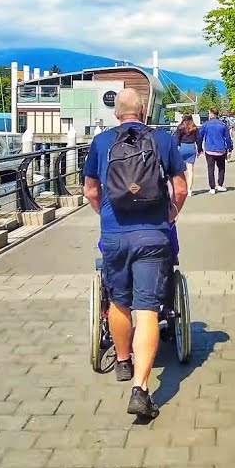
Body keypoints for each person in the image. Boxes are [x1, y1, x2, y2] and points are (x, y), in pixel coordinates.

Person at [83, 88, 188, 419]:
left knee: (118, 301)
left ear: (116, 113)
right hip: (153, 235)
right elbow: (181, 188)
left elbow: (90, 190)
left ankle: (124, 361)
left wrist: (106, 217)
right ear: (144, 112)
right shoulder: (164, 141)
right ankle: (141, 390)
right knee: (146, 309)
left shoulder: (101, 143)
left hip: (114, 235)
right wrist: (169, 215)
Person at [197, 109, 233, 194]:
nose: (208, 115)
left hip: (209, 150)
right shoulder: (223, 125)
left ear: (212, 114)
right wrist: (230, 148)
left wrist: (199, 149)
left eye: (209, 113)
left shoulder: (206, 124)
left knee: (210, 169)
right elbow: (228, 138)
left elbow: (200, 137)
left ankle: (212, 188)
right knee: (221, 168)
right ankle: (220, 185)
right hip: (221, 150)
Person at [175, 114, 200, 195]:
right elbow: (198, 139)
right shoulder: (194, 127)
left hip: (182, 147)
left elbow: (177, 139)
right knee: (190, 170)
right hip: (191, 147)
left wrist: (176, 148)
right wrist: (200, 150)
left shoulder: (180, 127)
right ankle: (189, 190)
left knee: (180, 170)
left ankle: (182, 187)